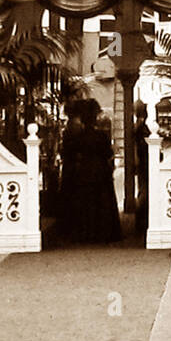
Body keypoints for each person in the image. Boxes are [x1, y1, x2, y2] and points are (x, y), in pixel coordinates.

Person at [57, 98, 122, 244]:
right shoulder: (100, 136)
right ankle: (101, 232)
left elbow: (70, 152)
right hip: (99, 171)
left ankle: (86, 232)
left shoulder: (77, 137)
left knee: (85, 202)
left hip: (83, 171)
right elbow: (107, 153)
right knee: (100, 202)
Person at [131, 101, 152, 241]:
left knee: (143, 190)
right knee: (144, 192)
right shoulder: (141, 128)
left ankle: (141, 220)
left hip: (143, 162)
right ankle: (141, 221)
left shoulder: (138, 126)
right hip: (145, 162)